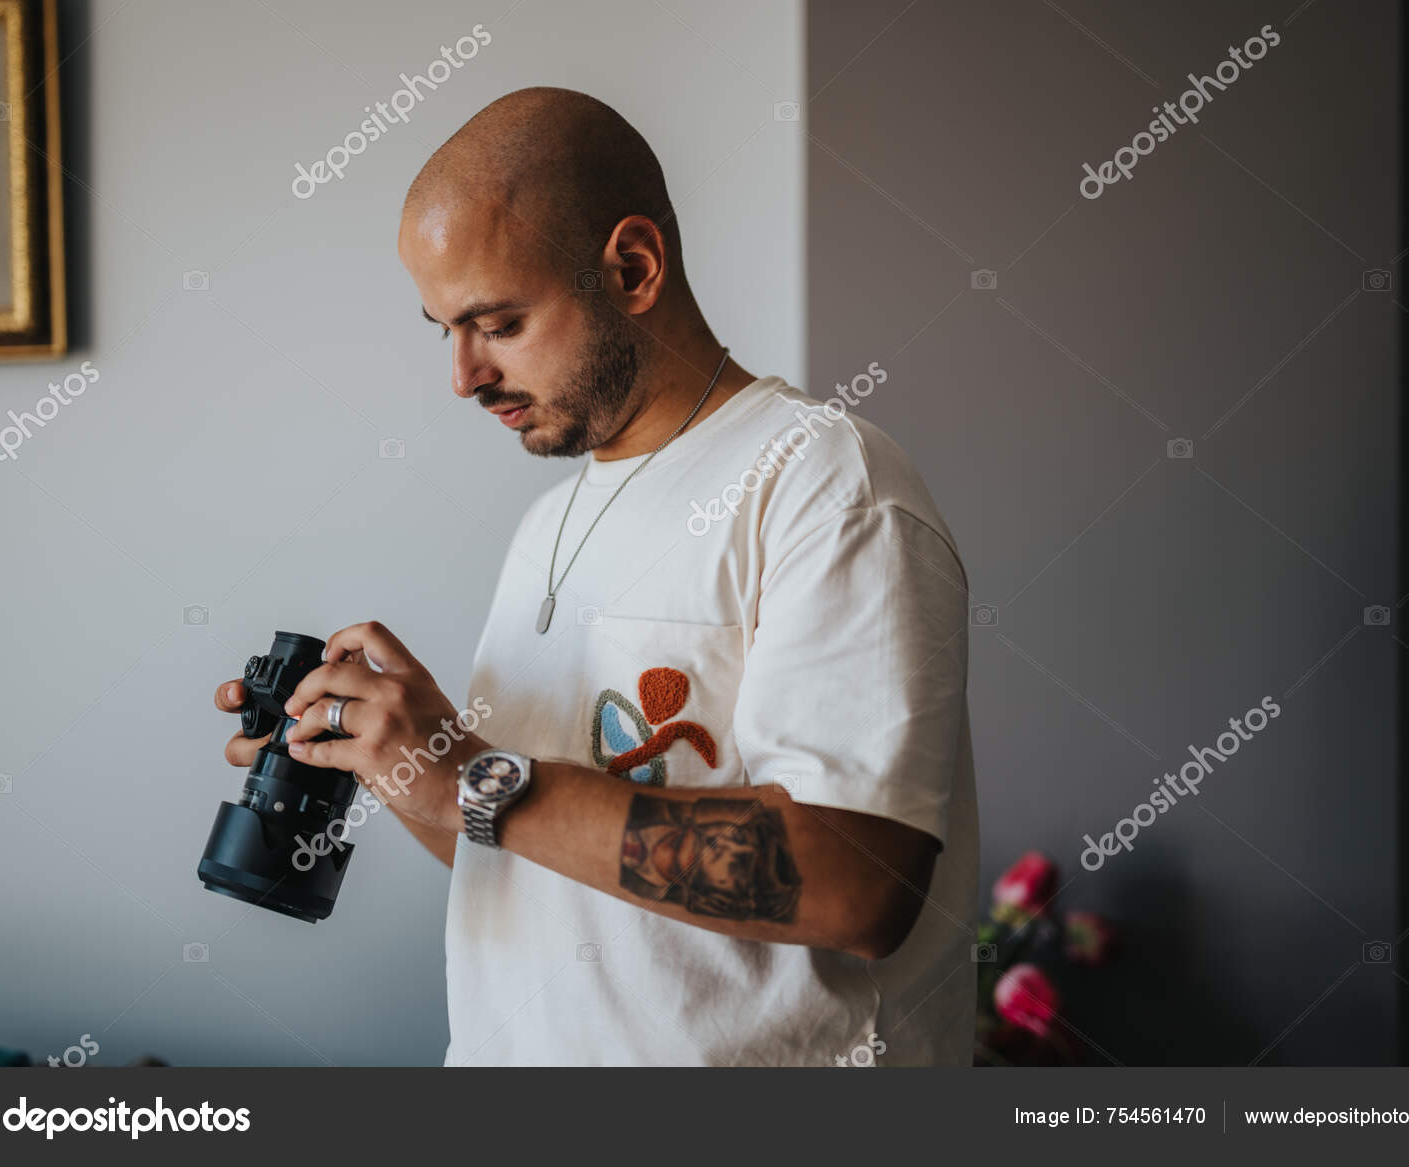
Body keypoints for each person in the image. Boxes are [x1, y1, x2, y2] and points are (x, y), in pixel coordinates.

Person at [213, 87, 979, 1066]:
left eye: (497, 322)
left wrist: (482, 780)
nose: (462, 376)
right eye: (441, 328)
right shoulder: (550, 521)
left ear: (631, 267)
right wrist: (404, 761)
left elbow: (854, 885)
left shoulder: (825, 486)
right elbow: (532, 857)